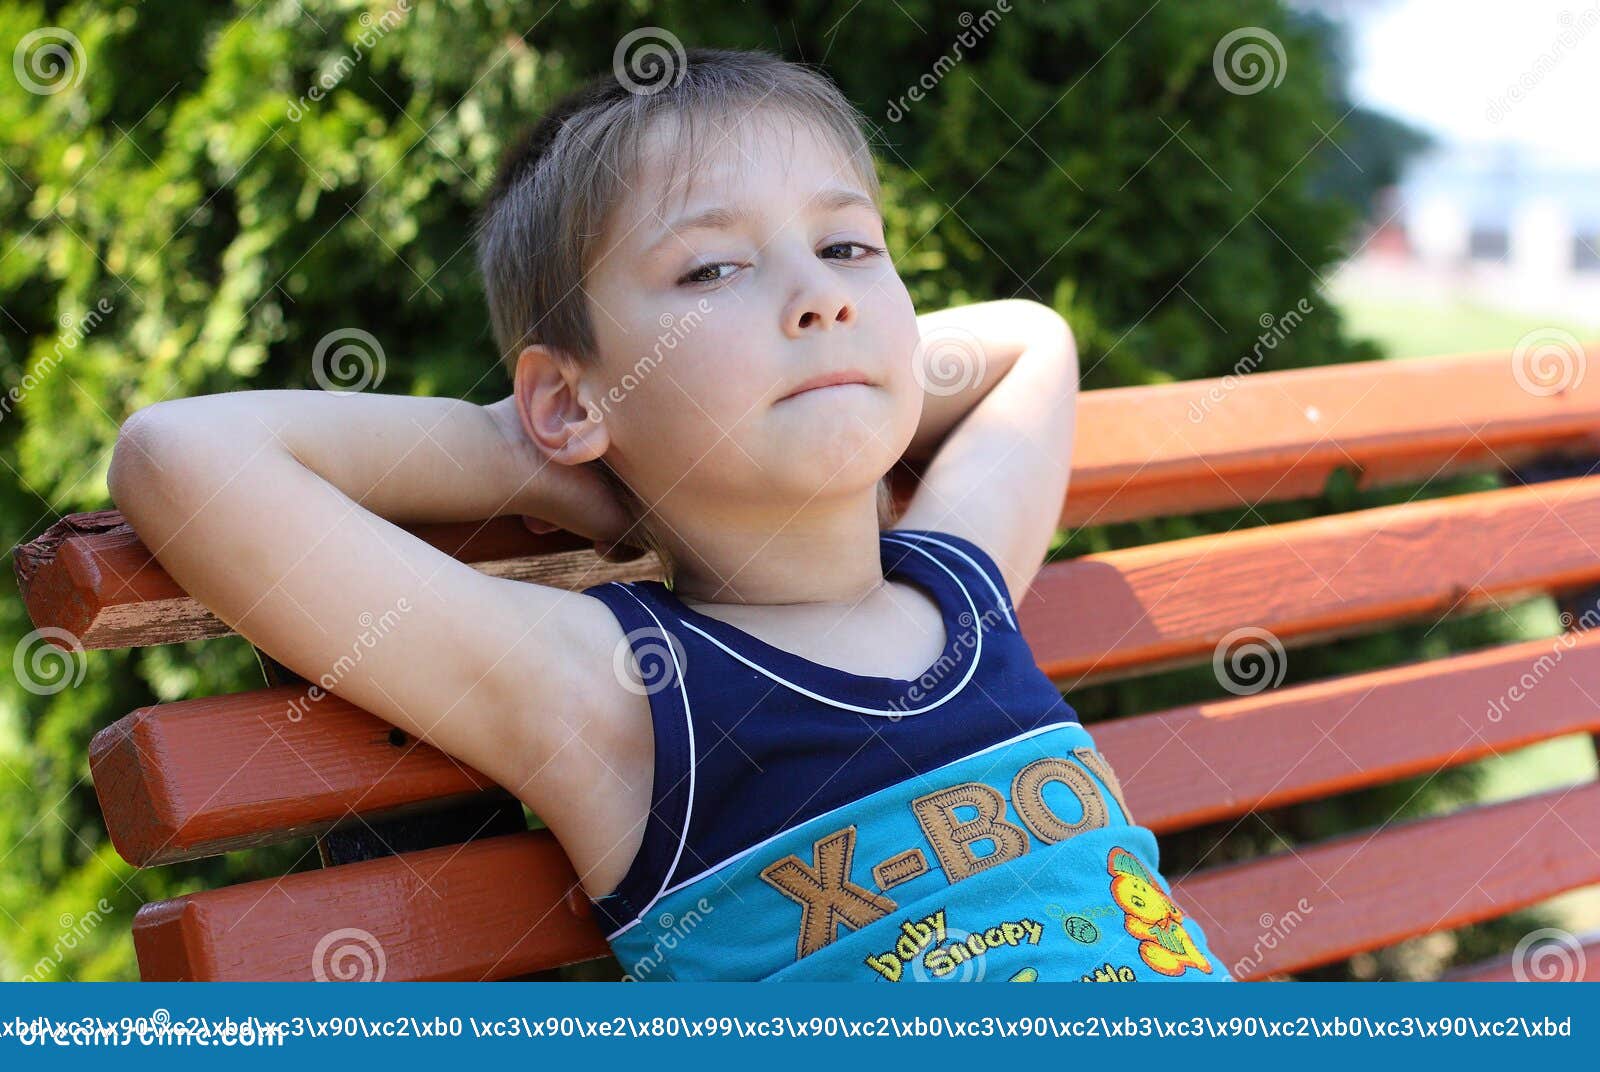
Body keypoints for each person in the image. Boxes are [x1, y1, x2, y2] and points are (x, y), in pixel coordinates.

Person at [109, 46, 1231, 983]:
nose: (823, 293)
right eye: (713, 269)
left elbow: (1033, 341)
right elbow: (182, 457)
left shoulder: (961, 585)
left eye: (846, 246)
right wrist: (528, 446)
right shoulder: (619, 702)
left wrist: (819, 384)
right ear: (564, 393)